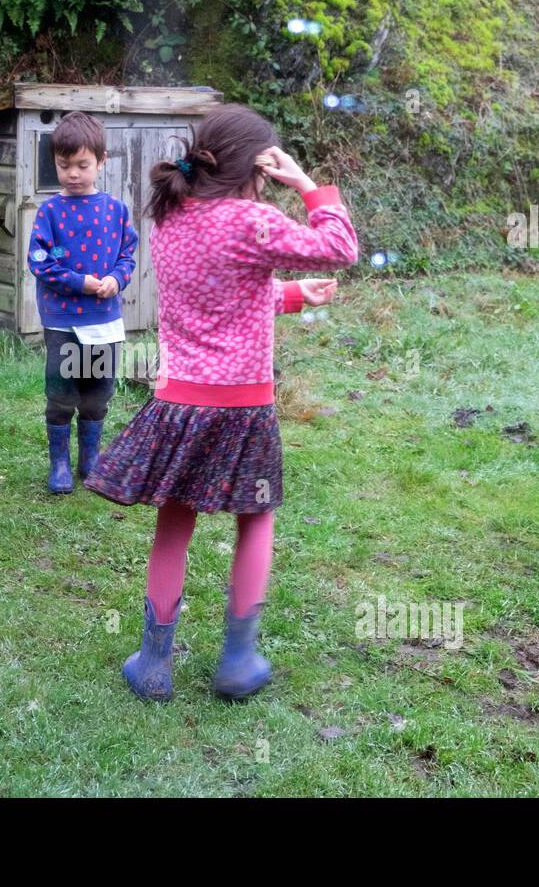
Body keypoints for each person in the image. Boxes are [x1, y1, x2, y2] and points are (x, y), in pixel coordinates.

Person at [84, 103, 358, 700]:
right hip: (244, 405)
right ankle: (237, 662)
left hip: (181, 402)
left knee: (174, 522)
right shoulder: (252, 221)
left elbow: (219, 291)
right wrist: (308, 185)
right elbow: (339, 246)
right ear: (261, 165)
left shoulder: (171, 218)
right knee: (254, 519)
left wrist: (288, 294)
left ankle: (154, 665)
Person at [26, 112, 137, 493]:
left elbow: (128, 255)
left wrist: (115, 278)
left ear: (101, 161)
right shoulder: (50, 212)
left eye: (82, 165)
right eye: (63, 165)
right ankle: (59, 464)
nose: (73, 173)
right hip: (63, 321)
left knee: (98, 390)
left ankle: (89, 459)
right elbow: (39, 261)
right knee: (62, 392)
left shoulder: (116, 211)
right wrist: (81, 283)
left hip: (104, 320)